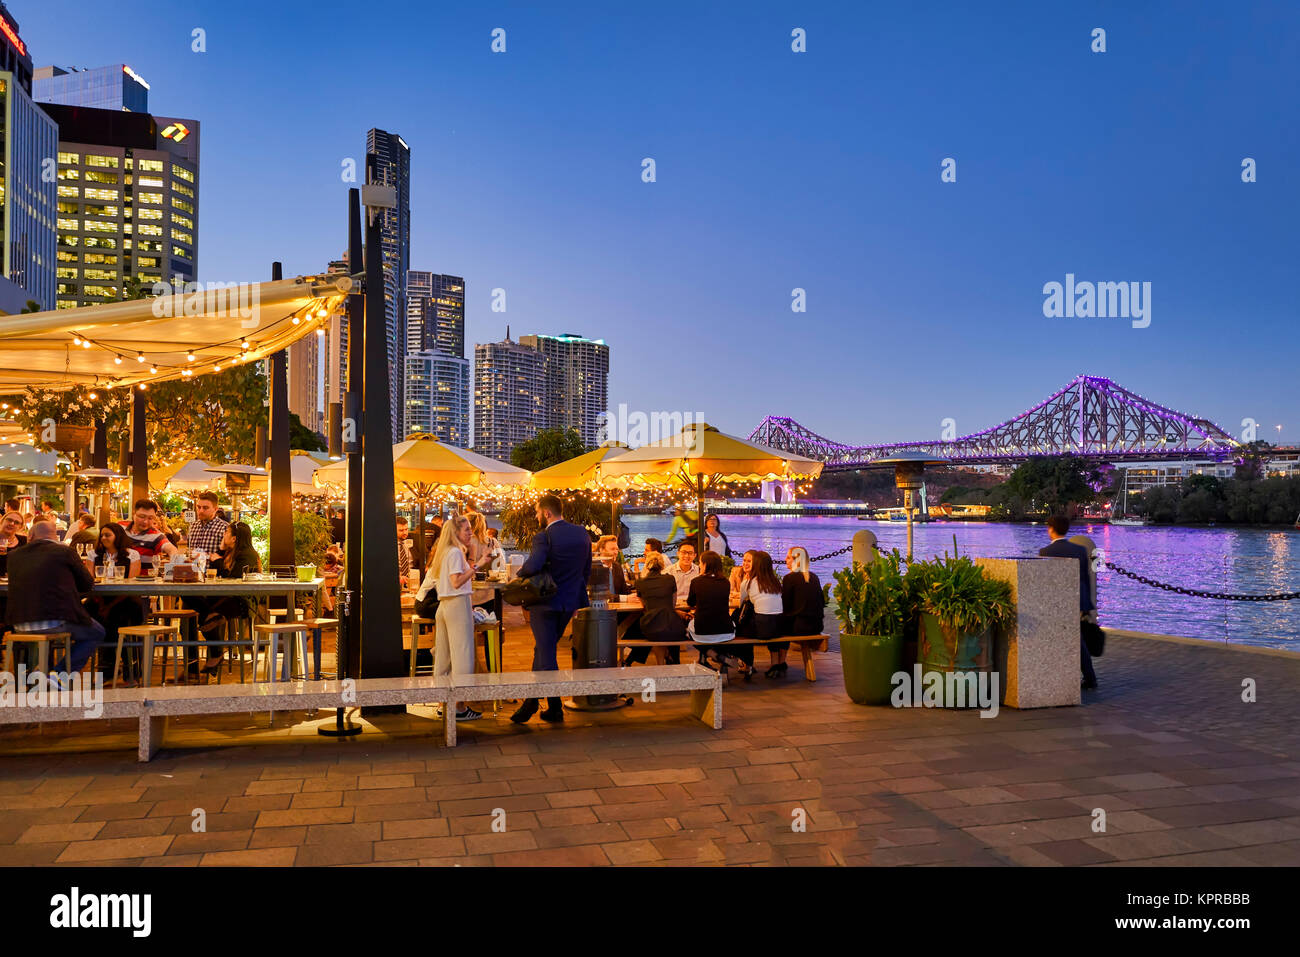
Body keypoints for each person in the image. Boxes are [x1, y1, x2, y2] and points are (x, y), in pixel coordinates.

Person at [511, 494, 591, 724]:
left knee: (547, 654)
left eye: (537, 512)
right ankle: (534, 703)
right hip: (569, 603)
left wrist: (519, 574)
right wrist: (576, 599)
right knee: (543, 651)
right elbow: (585, 570)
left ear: (546, 513)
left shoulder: (543, 536)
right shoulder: (581, 533)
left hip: (544, 603)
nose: (537, 516)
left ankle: (551, 705)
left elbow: (534, 565)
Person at [3, 520, 103, 683]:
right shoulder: (64, 552)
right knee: (96, 632)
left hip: (19, 623)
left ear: (30, 536)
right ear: (55, 536)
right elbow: (87, 584)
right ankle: (59, 674)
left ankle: (38, 675)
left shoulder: (14, 555)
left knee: (52, 631)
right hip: (56, 619)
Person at [432, 514, 494, 721]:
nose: (470, 533)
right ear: (456, 532)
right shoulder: (455, 553)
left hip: (444, 606)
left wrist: (475, 558)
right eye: (466, 529)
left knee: (444, 656)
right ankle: (458, 707)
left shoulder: (446, 552)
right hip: (457, 604)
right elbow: (457, 582)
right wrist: (479, 563)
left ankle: (443, 703)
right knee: (463, 656)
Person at [194, 522, 261, 678]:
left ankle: (216, 653)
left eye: (226, 532)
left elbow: (234, 580)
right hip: (225, 597)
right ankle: (216, 648)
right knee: (194, 602)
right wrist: (221, 551)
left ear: (234, 538)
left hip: (240, 601)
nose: (223, 535)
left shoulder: (247, 555)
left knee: (204, 617)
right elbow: (218, 571)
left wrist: (217, 559)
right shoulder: (230, 552)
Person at [1039, 516, 1098, 691]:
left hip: (1055, 603)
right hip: (1077, 601)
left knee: (1056, 640)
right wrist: (1086, 604)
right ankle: (1089, 677)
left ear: (1051, 529)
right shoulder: (1080, 550)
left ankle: (1060, 677)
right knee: (1078, 642)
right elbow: (1085, 579)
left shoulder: (1045, 552)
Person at [84, 524, 144, 684]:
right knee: (102, 618)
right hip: (99, 599)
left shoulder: (132, 555)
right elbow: (91, 582)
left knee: (118, 618)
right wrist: (103, 603)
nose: (103, 538)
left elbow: (131, 584)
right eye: (102, 535)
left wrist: (108, 607)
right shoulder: (93, 555)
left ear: (117, 536)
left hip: (124, 599)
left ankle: (114, 670)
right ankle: (117, 670)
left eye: (107, 535)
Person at [625, 553, 685, 665]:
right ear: (662, 565)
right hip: (671, 625)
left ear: (647, 565)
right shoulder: (670, 579)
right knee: (670, 625)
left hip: (650, 625)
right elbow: (673, 604)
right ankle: (673, 660)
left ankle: (631, 660)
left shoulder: (640, 582)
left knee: (647, 628)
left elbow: (644, 606)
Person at [734, 550, 783, 679]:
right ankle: (775, 665)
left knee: (740, 624)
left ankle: (747, 664)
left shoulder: (749, 582)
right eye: (744, 560)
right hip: (779, 628)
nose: (745, 563)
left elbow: (741, 606)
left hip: (763, 630)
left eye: (750, 561)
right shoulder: (775, 582)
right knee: (763, 616)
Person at [779, 545, 826, 678]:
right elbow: (822, 602)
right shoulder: (814, 577)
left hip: (800, 627)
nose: (785, 560)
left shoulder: (790, 578)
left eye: (788, 557)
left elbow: (785, 607)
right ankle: (780, 663)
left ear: (796, 560)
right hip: (816, 626)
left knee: (776, 625)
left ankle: (778, 663)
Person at [686, 551, 734, 666]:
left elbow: (690, 602)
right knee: (713, 627)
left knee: (686, 632)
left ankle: (713, 654)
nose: (700, 566)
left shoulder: (696, 581)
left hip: (702, 630)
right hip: (725, 630)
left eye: (701, 563)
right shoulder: (725, 582)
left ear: (706, 565)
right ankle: (718, 657)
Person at [118, 499, 177, 574]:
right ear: (134, 514)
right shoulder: (120, 527)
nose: (145, 521)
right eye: (142, 517)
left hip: (143, 582)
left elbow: (172, 550)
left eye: (150, 518)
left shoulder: (156, 536)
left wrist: (172, 566)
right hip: (118, 578)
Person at [187, 491, 229, 563]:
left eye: (205, 508)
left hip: (213, 573)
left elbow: (229, 557)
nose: (201, 511)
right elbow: (189, 549)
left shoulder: (224, 528)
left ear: (215, 509)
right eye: (199, 507)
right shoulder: (193, 526)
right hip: (193, 572)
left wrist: (206, 556)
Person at [396, 516, 412, 585]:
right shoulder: (386, 544)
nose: (405, 532)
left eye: (406, 529)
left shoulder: (415, 540)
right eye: (401, 530)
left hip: (413, 579)